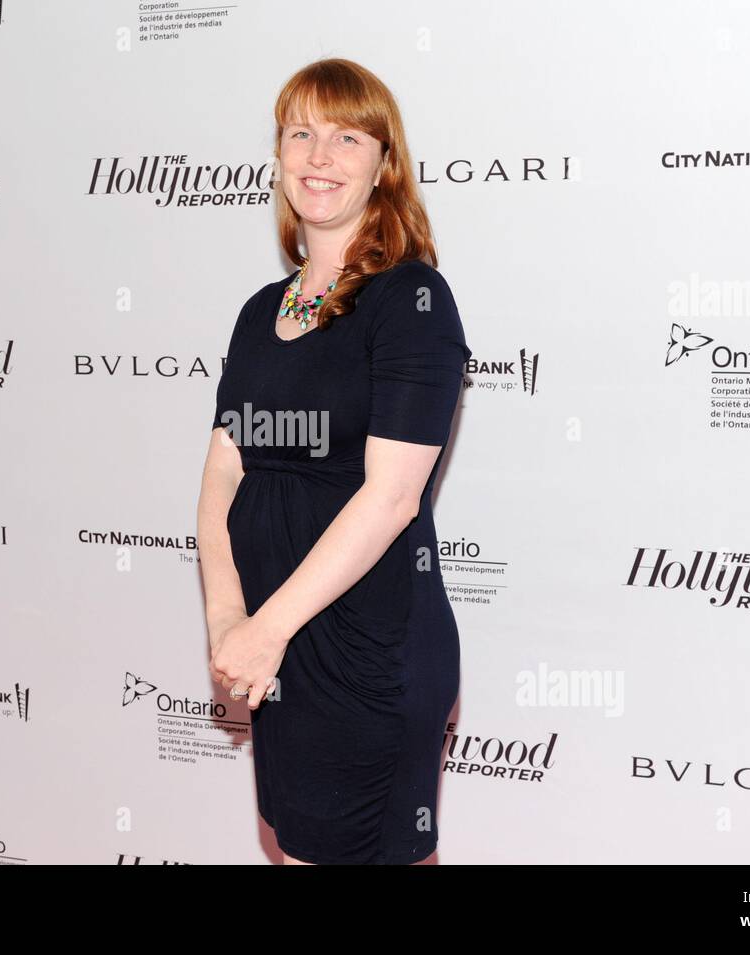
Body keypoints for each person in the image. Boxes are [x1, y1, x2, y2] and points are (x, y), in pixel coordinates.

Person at [196, 57, 472, 865]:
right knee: (296, 849)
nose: (320, 156)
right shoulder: (261, 311)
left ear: (384, 164)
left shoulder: (411, 301)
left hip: (368, 647)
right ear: (279, 154)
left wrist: (266, 626)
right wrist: (229, 624)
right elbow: (222, 474)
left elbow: (390, 500)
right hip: (276, 651)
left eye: (347, 136)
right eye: (301, 133)